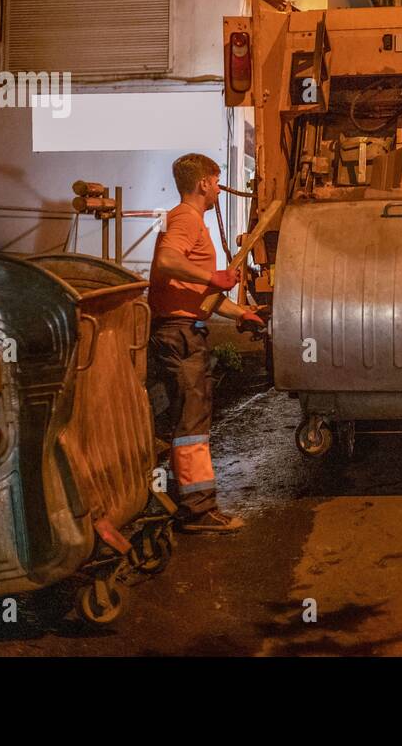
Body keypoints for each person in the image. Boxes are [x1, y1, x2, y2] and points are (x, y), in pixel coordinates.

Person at [148, 153, 265, 531]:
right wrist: (210, 276)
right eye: (216, 181)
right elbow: (167, 260)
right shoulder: (185, 218)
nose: (218, 188)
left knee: (184, 419)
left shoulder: (188, 220)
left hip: (182, 329)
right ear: (203, 184)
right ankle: (198, 511)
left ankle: (171, 494)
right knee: (192, 425)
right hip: (180, 335)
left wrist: (239, 313)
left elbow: (196, 292)